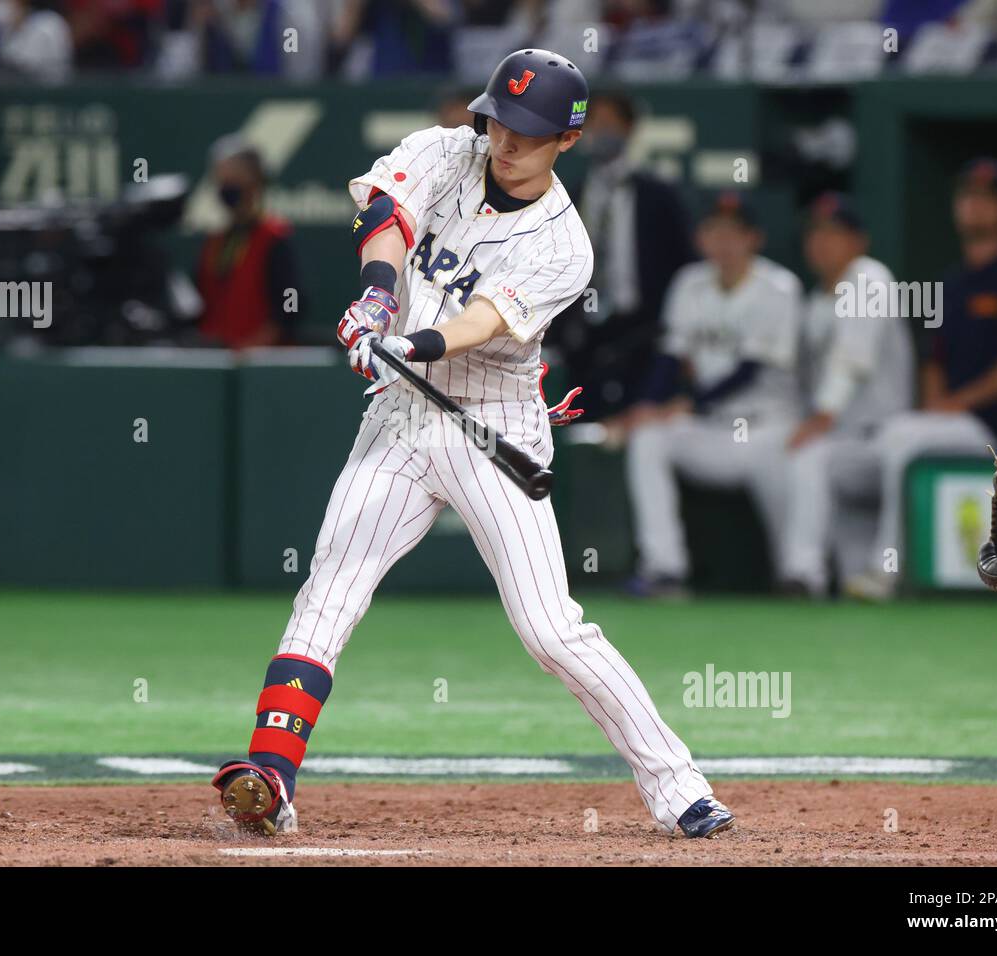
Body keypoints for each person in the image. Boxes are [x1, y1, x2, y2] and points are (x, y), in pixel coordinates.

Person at [211, 49, 735, 841]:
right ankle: (269, 775)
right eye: (500, 120)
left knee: (549, 628)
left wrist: (409, 341)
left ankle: (678, 784)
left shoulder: (564, 243)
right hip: (398, 418)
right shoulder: (449, 147)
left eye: (528, 130)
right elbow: (384, 213)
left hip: (492, 426)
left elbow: (483, 323)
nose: (506, 141)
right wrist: (378, 298)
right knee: (328, 591)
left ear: (566, 138)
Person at [846, 158, 997, 600]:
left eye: (987, 199)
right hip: (953, 424)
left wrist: (955, 404)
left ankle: (886, 570)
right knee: (880, 444)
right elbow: (934, 363)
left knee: (901, 437)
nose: (975, 207)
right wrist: (939, 405)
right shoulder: (952, 282)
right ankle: (849, 567)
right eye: (967, 197)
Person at [624, 192, 803, 596]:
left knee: (791, 548)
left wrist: (685, 403)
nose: (722, 241)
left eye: (733, 232)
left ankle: (799, 580)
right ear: (701, 238)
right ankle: (664, 566)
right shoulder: (690, 283)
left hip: (770, 433)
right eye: (713, 231)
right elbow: (671, 357)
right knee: (649, 437)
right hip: (710, 430)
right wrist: (648, 407)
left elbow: (749, 370)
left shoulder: (779, 287)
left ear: (753, 238)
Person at [778, 194, 914, 597]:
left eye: (834, 234)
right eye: (815, 233)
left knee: (812, 453)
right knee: (809, 461)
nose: (821, 242)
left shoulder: (869, 276)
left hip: (886, 437)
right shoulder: (814, 300)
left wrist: (821, 417)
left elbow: (853, 359)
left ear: (859, 242)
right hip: (847, 444)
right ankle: (803, 577)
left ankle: (887, 573)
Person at [552, 89, 695, 422]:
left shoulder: (658, 194)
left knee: (637, 420)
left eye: (609, 123)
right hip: (583, 331)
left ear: (629, 128)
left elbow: (682, 263)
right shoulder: (570, 192)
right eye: (593, 125)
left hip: (642, 329)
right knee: (582, 421)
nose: (600, 133)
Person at [195, 135, 302, 349]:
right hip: (215, 365)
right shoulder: (215, 241)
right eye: (221, 179)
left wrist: (254, 348)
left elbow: (290, 310)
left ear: (255, 181)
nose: (226, 187)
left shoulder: (273, 237)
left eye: (234, 179)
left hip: (260, 369)